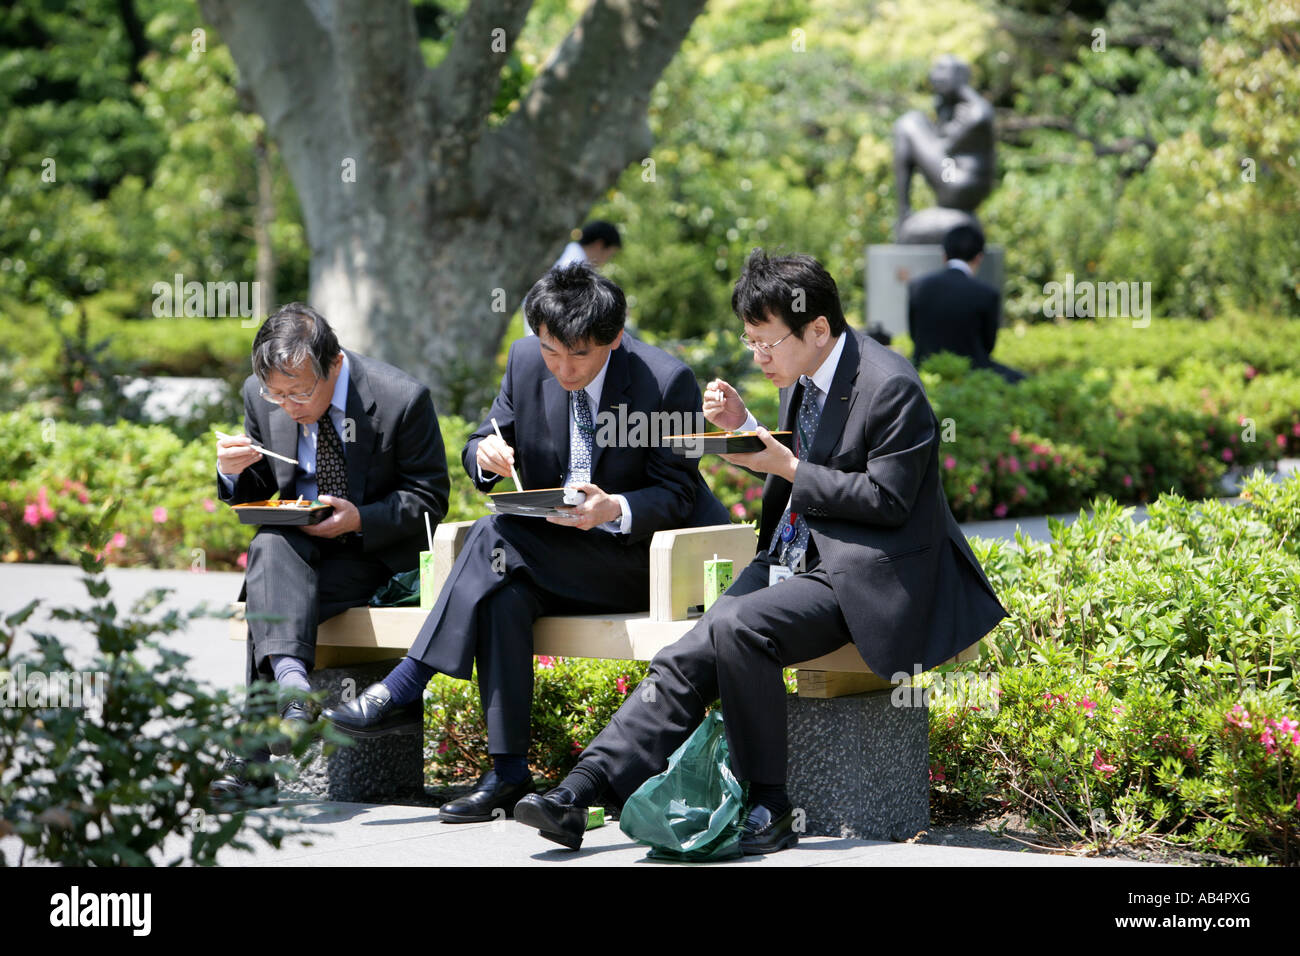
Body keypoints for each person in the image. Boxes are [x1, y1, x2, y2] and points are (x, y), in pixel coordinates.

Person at [514, 250, 1008, 854]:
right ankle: (579, 791)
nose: (758, 357)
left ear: (818, 327)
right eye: (750, 342)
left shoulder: (891, 385)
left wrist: (789, 466)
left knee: (739, 627)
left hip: (864, 572)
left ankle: (769, 802)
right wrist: (745, 426)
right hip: (791, 559)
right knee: (688, 650)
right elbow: (807, 456)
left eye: (768, 343)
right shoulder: (805, 372)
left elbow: (889, 501)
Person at [324, 263, 730, 822]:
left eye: (579, 355)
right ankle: (507, 773)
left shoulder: (665, 381)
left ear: (613, 338)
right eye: (550, 351)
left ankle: (406, 684)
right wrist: (484, 459)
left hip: (639, 562)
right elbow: (480, 443)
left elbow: (679, 491)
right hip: (546, 554)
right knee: (503, 590)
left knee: (497, 539)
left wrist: (613, 508)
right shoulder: (523, 361)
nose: (562, 368)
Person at [210, 303, 450, 800]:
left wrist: (360, 517)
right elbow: (261, 486)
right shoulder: (262, 397)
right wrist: (233, 472)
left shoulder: (401, 399)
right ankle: (294, 689)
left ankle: (250, 755)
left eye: (299, 391)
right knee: (270, 543)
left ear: (334, 364)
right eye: (276, 393)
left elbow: (430, 498)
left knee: (269, 602)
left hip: (371, 555)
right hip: (295, 546)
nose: (288, 404)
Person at [908, 223, 1025, 384]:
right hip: (973, 375)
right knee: (1022, 380)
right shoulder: (987, 294)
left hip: (925, 371)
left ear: (944, 255)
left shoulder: (917, 287)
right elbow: (987, 347)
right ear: (979, 257)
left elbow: (914, 336)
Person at [523, 222, 624, 337]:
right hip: (549, 329)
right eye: (609, 254)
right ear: (599, 245)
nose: (607, 260)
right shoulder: (573, 263)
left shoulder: (570, 253)